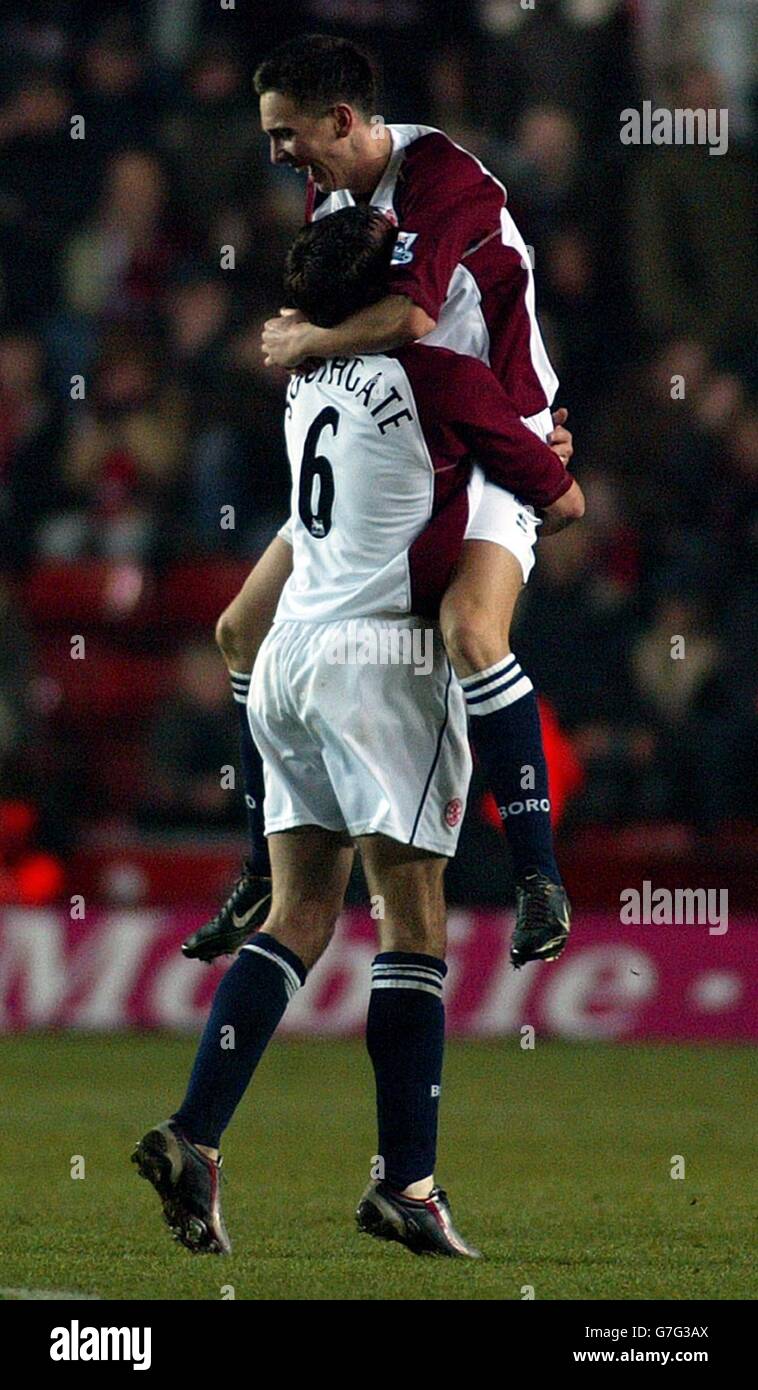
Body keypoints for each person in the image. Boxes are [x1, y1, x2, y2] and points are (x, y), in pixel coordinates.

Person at [133, 207, 584, 1258]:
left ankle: (195, 1134)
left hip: (288, 658)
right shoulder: (438, 373)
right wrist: (532, 452)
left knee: (297, 912)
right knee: (411, 921)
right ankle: (407, 1184)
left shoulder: (306, 384)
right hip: (380, 664)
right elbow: (558, 504)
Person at [187, 33, 578, 966]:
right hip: (391, 439)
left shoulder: (441, 176)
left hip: (491, 440)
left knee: (472, 633)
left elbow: (408, 316)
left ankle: (537, 878)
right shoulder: (335, 189)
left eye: (286, 134)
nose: (277, 154)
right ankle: (257, 865)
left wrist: (300, 345)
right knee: (240, 630)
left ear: (342, 120)